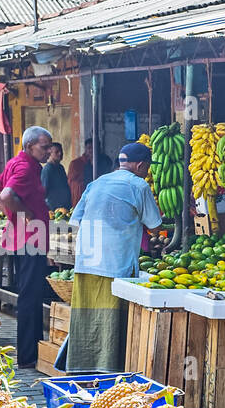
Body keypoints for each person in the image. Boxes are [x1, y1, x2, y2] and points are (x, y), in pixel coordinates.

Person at [68, 142, 164, 373]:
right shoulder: (139, 185)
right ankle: (108, 369)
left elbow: (75, 219)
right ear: (140, 165)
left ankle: (81, 367)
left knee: (87, 316)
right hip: (115, 263)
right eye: (148, 167)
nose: (147, 171)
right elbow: (155, 225)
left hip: (87, 261)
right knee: (111, 319)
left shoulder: (97, 182)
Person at [0, 126, 53, 368]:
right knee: (30, 297)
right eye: (44, 147)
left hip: (20, 238)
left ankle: (31, 352)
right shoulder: (26, 168)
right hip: (30, 241)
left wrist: (12, 217)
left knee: (28, 295)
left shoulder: (17, 162)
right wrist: (25, 214)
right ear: (29, 147)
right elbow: (5, 195)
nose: (48, 151)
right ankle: (28, 357)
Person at [67, 138, 113, 205]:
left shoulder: (105, 160)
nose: (92, 150)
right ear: (85, 150)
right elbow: (72, 183)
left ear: (99, 148)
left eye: (94, 148)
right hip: (83, 197)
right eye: (89, 148)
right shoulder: (76, 163)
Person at [42, 143, 72, 211]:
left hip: (65, 207)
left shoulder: (60, 168)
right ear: (50, 153)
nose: (60, 154)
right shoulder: (47, 169)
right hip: (54, 209)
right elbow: (44, 190)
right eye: (57, 152)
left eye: (61, 151)